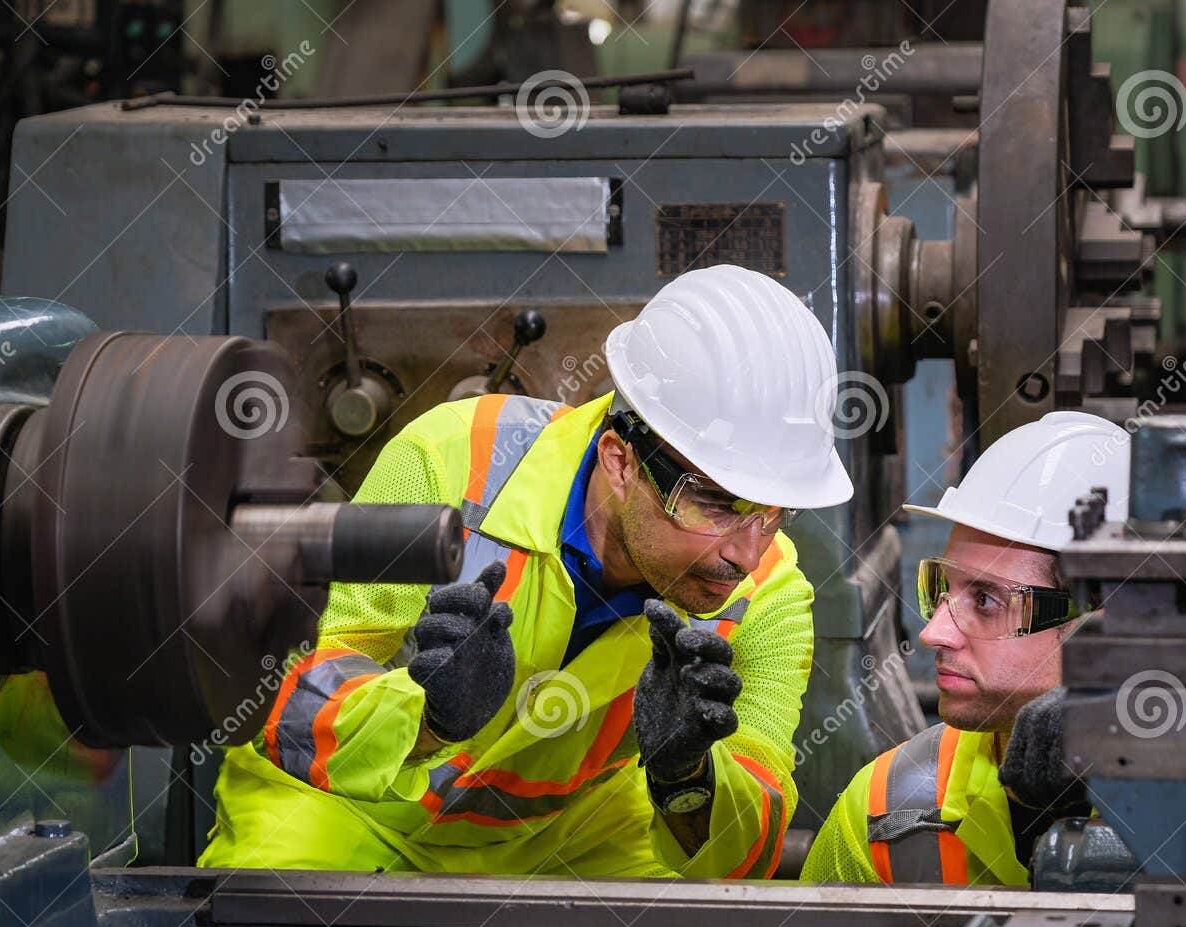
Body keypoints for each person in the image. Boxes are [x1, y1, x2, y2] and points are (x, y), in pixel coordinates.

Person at [201, 264, 853, 878]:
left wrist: (687, 777)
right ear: (621, 460)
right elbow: (294, 722)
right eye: (712, 503)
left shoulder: (769, 597)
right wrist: (426, 714)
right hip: (355, 811)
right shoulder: (451, 462)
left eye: (774, 513)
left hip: (573, 838)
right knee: (264, 923)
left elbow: (744, 856)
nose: (745, 552)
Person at [801, 411, 1186, 886]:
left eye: (988, 602)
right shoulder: (887, 813)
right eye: (942, 590)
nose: (934, 634)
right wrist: (1032, 825)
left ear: (1109, 620)